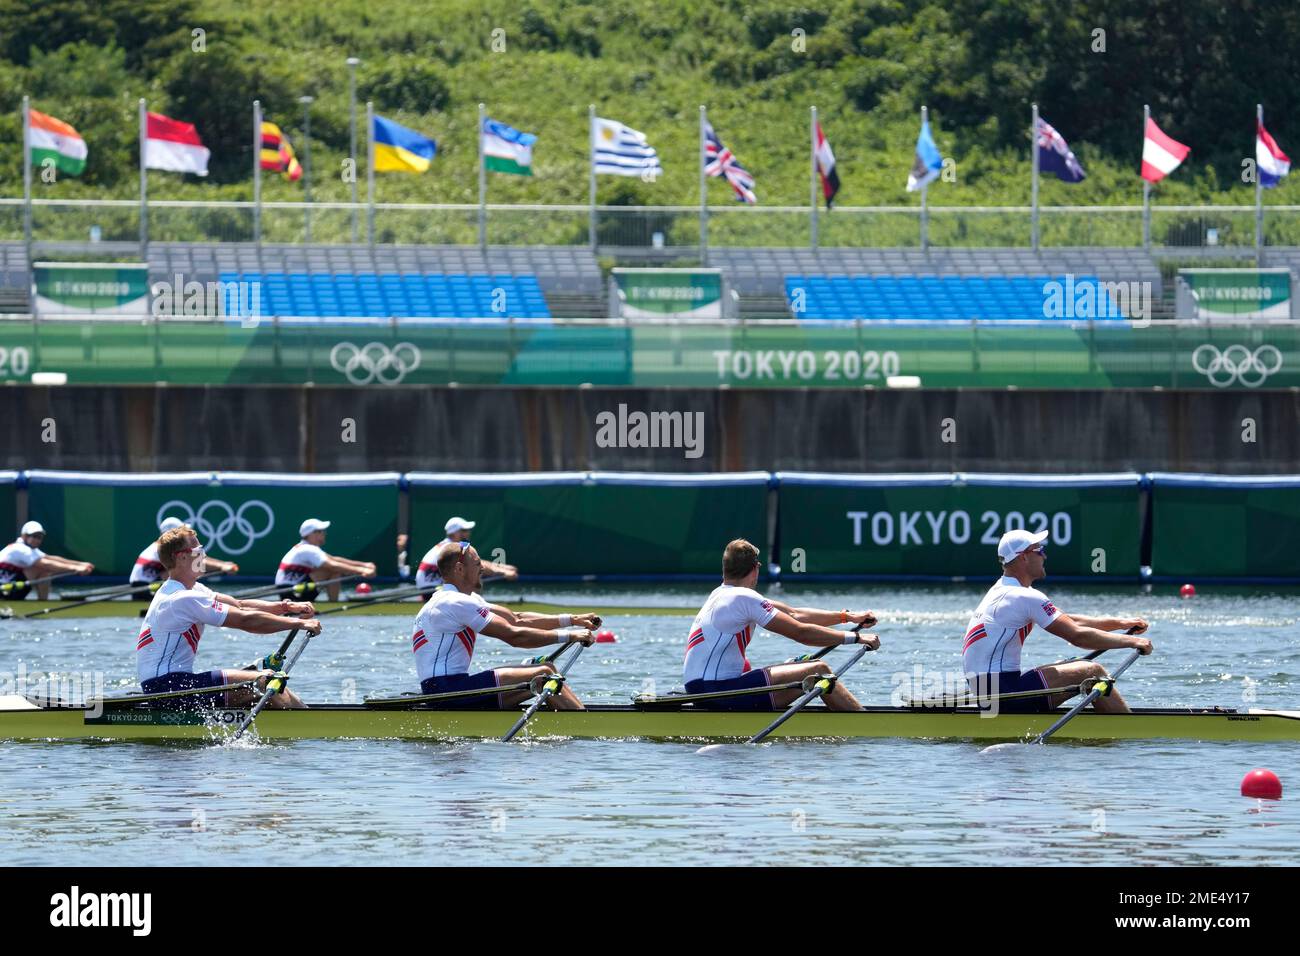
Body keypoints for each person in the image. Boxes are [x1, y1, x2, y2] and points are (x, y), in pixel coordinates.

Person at [961, 529, 1152, 714]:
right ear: (1024, 557)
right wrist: (1133, 642)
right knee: (1092, 671)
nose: (1044, 556)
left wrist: (1121, 623)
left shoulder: (1002, 590)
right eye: (1039, 550)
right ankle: (1126, 735)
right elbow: (1078, 636)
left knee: (1072, 663)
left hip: (990, 690)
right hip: (1002, 695)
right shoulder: (1023, 596)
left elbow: (1069, 620)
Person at [681, 539, 879, 711]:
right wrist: (856, 638)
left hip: (702, 689)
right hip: (716, 692)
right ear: (756, 568)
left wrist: (848, 617)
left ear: (725, 569)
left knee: (799, 666)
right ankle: (866, 725)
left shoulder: (721, 595)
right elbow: (801, 633)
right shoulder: (743, 598)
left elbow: (795, 614)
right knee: (818, 671)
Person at [137, 524, 321, 709]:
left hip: (171, 684)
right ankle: (313, 729)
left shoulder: (191, 589)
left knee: (265, 686)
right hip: (168, 687)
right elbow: (244, 620)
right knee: (267, 681)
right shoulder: (182, 598)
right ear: (182, 557)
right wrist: (297, 623)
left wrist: (285, 607)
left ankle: (298, 723)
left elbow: (239, 605)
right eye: (199, 550)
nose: (204, 555)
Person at [411, 542, 598, 710]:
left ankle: (572, 717)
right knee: (544, 674)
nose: (482, 568)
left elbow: (516, 618)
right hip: (446, 692)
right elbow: (514, 636)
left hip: (451, 687)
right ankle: (585, 726)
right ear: (460, 569)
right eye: (477, 564)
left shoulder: (463, 599)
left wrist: (572, 620)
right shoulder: (454, 602)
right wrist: (570, 636)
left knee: (545, 667)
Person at [129, 516, 239, 599]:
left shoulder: (161, 546)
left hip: (148, 586)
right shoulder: (163, 548)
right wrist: (222, 566)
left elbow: (195, 558)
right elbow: (197, 562)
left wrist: (222, 564)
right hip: (145, 589)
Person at [274, 518, 376, 601]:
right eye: (321, 531)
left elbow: (334, 559)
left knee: (332, 568)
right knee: (332, 570)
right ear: (312, 534)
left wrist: (364, 565)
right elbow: (332, 565)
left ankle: (333, 601)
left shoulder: (304, 547)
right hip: (292, 594)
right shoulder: (309, 549)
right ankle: (333, 602)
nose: (324, 533)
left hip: (290, 591)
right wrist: (362, 571)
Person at [415, 516, 518, 593]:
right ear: (453, 533)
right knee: (473, 573)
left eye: (467, 530)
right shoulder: (451, 548)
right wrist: (504, 573)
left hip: (432, 586)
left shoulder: (449, 545)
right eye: (464, 530)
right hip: (430, 589)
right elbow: (476, 563)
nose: (468, 533)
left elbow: (477, 561)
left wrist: (500, 567)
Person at [0, 521, 94, 601]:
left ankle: (43, 602)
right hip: (3, 590)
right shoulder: (20, 548)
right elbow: (45, 564)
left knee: (44, 570)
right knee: (41, 569)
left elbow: (49, 558)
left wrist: (80, 564)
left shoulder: (29, 549)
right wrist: (76, 568)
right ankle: (43, 603)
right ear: (24, 536)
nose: (37, 540)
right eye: (34, 536)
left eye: (40, 537)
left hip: (10, 587)